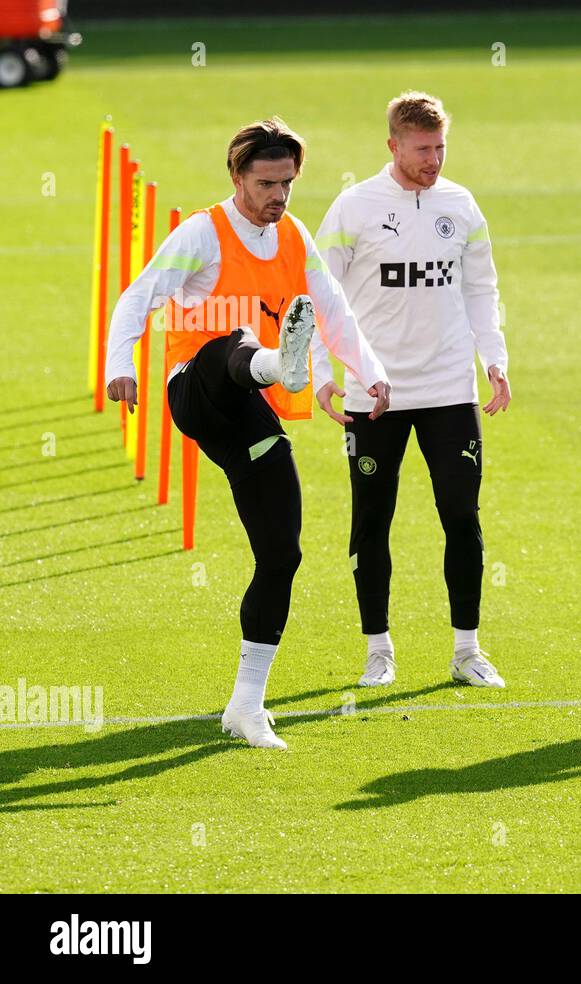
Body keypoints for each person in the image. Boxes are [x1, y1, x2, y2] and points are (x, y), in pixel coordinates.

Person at [106, 117, 390, 749]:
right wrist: (119, 365)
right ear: (236, 176)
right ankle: (273, 362)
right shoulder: (203, 233)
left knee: (282, 552)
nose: (278, 195)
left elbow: (337, 313)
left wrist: (370, 376)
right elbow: (138, 295)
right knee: (233, 346)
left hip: (246, 417)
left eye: (286, 182)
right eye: (265, 182)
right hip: (197, 389)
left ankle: (245, 706)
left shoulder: (293, 238)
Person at [315, 92, 510, 690]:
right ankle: (378, 650)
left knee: (461, 515)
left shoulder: (461, 204)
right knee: (372, 521)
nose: (434, 160)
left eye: (441, 147)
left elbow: (481, 288)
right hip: (376, 391)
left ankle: (467, 651)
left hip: (450, 387)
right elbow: (321, 294)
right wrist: (326, 374)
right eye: (423, 149)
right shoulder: (355, 207)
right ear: (393, 145)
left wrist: (494, 358)